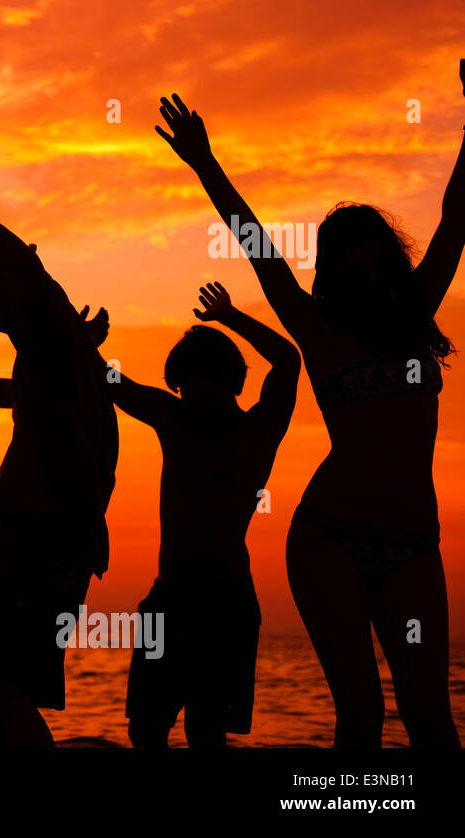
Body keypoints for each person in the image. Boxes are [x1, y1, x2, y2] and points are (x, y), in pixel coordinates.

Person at [157, 84, 462, 748]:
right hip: (329, 539)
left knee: (430, 716)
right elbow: (257, 246)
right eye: (353, 270)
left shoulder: (417, 313)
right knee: (362, 714)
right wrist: (204, 162)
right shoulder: (319, 331)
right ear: (335, 274)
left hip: (414, 544)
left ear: (390, 265)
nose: (368, 280)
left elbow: (456, 219)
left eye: (376, 266)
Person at [0, 179, 119, 748]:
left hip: (44, 537)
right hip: (37, 536)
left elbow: (23, 263)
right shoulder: (48, 351)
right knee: (2, 691)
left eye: (0, 287)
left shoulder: (50, 327)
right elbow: (46, 400)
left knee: (1, 689)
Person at [105, 283, 300, 747]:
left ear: (230, 380)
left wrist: (230, 316)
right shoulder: (174, 417)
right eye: (185, 387)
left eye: (202, 383)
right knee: (146, 728)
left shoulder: (255, 430)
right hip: (169, 598)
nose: (193, 395)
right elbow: (110, 382)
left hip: (225, 604)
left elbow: (288, 360)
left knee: (205, 730)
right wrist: (80, 338)